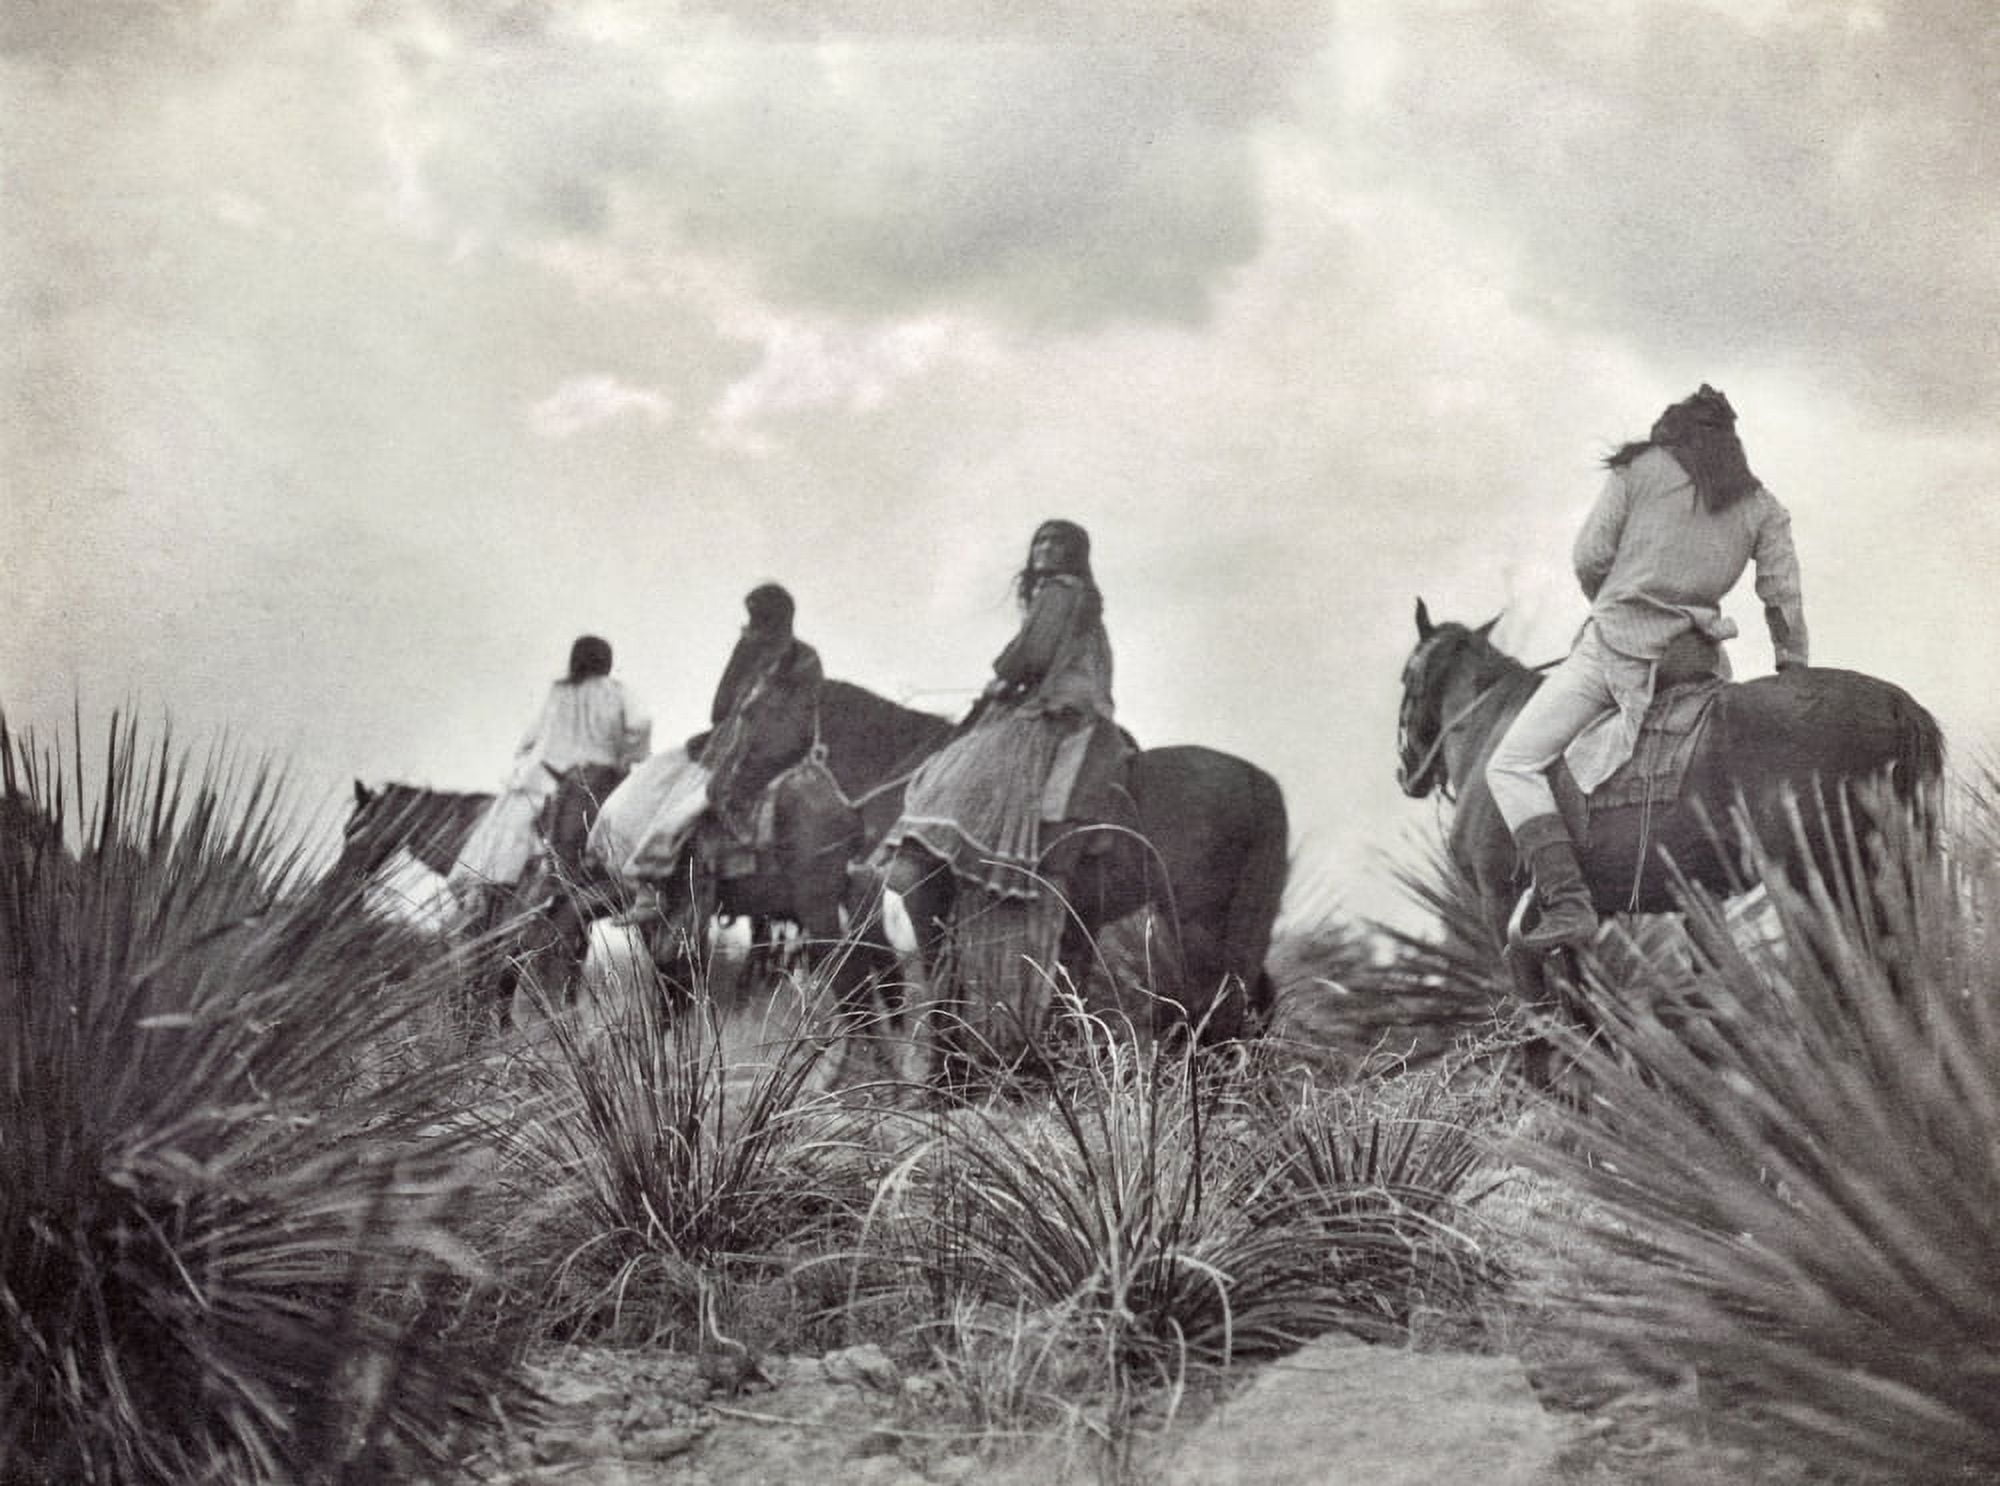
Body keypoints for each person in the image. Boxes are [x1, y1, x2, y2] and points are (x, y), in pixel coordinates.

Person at [1485, 384, 1809, 951]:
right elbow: (1781, 596)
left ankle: (1566, 901)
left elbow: (1589, 557)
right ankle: (1707, 925)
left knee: (1512, 765)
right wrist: (1792, 667)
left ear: (1674, 433)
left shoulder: (1637, 470)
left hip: (1617, 647)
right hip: (1697, 659)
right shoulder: (1761, 504)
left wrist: (1617, 599)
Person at [883, 518, 1122, 915]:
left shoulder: (1059, 591)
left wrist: (1003, 679)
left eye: (1056, 542)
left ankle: (976, 860)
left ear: (1073, 554)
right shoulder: (1084, 598)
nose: (1044, 547)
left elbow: (1034, 654)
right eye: (1040, 540)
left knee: (968, 765)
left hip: (1057, 705)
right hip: (1078, 701)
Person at [694, 582, 825, 839]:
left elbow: (798, 722)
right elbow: (721, 707)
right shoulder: (754, 650)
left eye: (761, 620)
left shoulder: (801, 658)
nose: (754, 628)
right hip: (744, 743)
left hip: (780, 747)